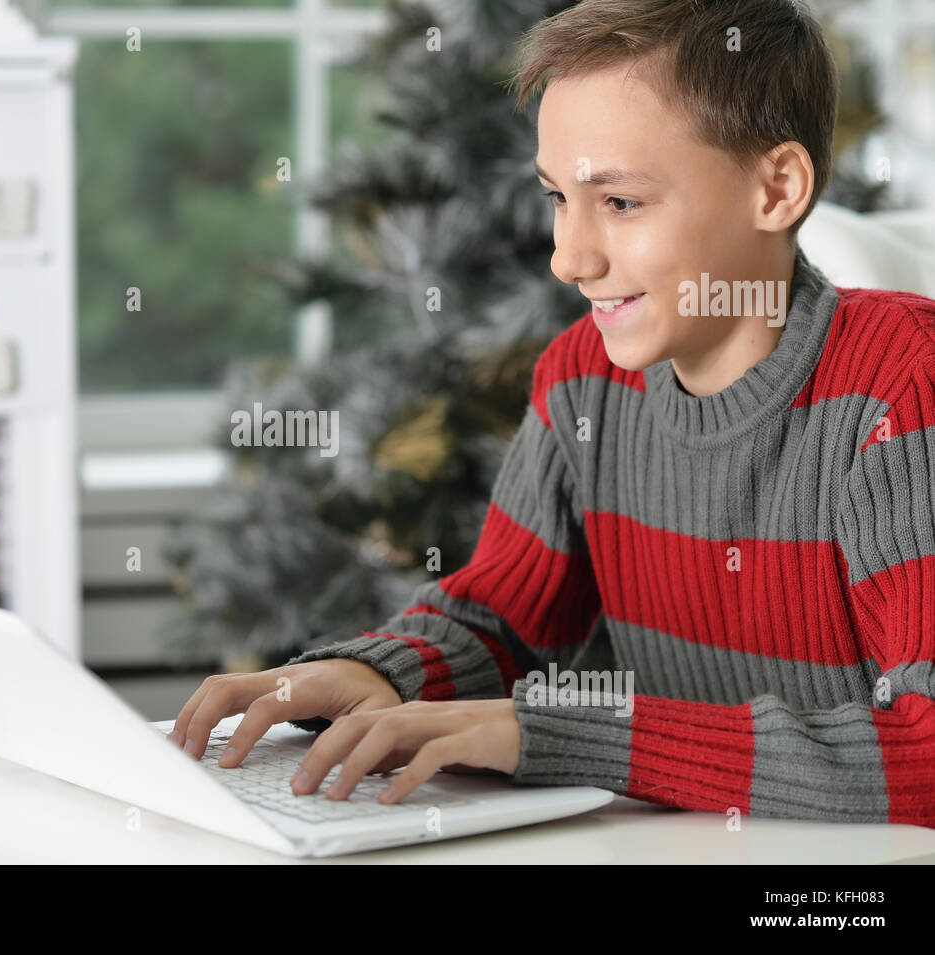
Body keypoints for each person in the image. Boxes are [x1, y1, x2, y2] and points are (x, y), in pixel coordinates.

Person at [169, 0, 935, 825]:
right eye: (557, 198)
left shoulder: (902, 385)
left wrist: (573, 734)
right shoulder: (583, 378)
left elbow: (927, 754)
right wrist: (383, 672)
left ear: (776, 187)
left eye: (621, 203)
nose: (570, 257)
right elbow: (501, 617)